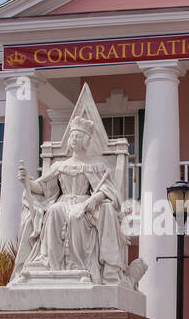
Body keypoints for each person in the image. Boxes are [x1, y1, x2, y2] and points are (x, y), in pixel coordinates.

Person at [11, 114, 132, 286]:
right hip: (62, 202)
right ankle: (53, 265)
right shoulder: (60, 165)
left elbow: (108, 190)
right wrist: (28, 183)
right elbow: (45, 189)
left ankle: (79, 267)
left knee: (77, 218)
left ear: (86, 140)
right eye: (72, 135)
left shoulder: (96, 165)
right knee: (53, 212)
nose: (74, 139)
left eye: (78, 135)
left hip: (85, 204)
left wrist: (94, 199)